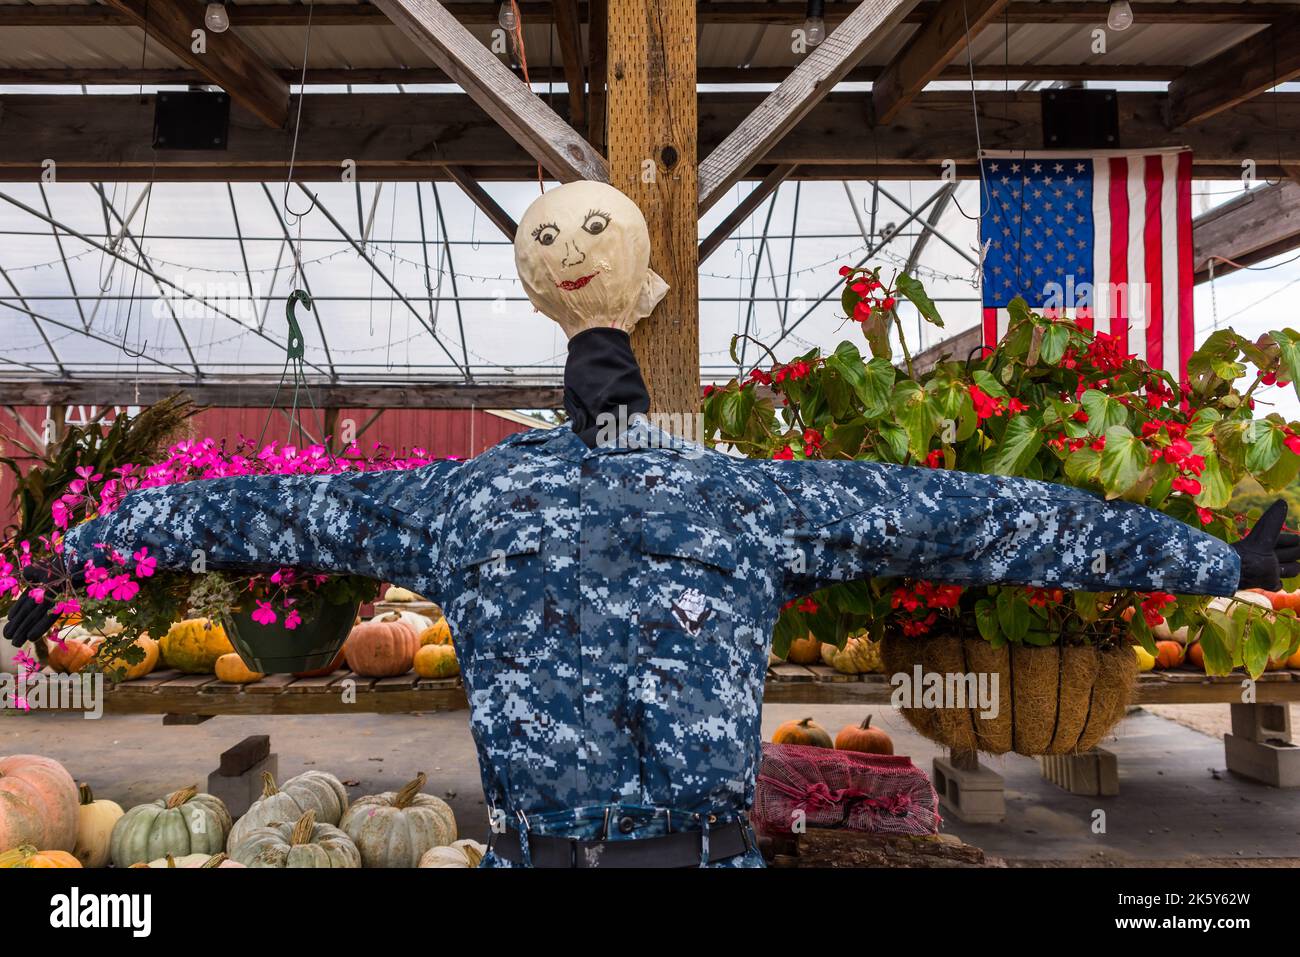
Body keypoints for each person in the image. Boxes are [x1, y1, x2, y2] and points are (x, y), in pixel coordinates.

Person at [6, 181, 1298, 867]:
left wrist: (91, 541)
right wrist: (1210, 557)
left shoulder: (468, 500)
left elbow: (260, 508)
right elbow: (980, 522)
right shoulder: (742, 497)